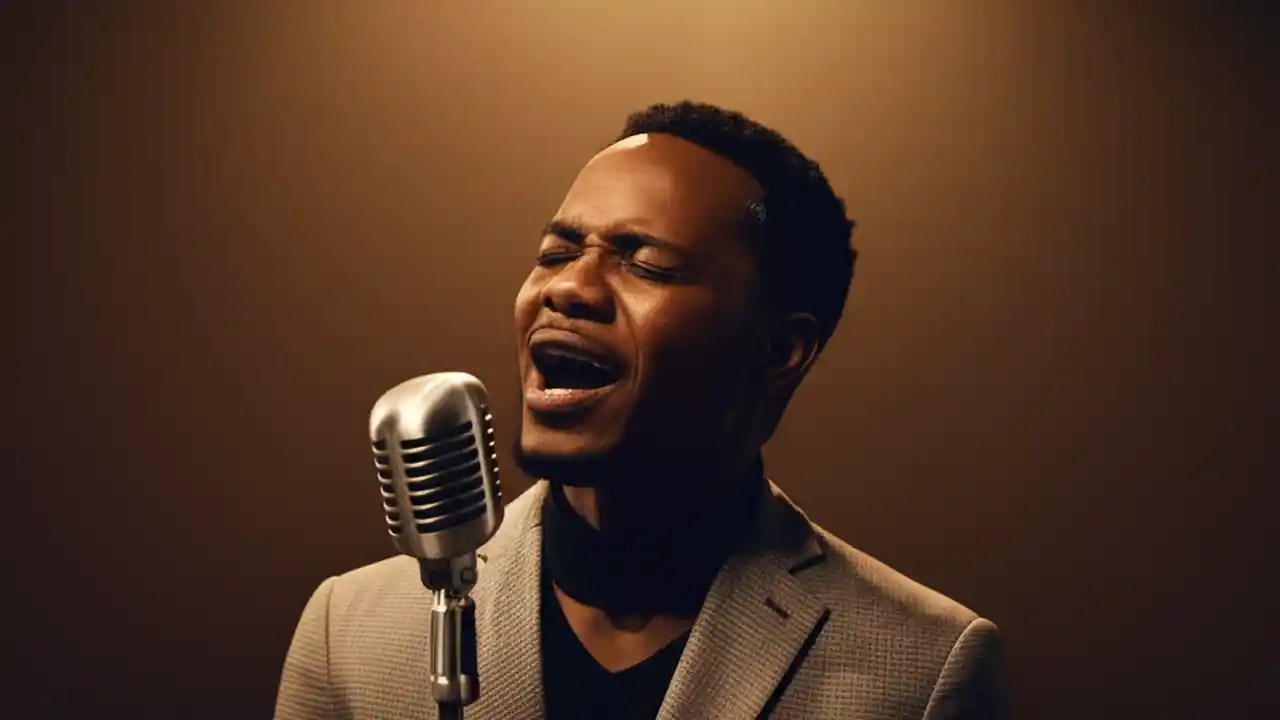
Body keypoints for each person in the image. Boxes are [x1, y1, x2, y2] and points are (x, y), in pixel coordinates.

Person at [275, 100, 1005, 719]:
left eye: (645, 263)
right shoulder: (351, 632)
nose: (567, 290)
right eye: (555, 254)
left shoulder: (926, 669)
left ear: (780, 349)